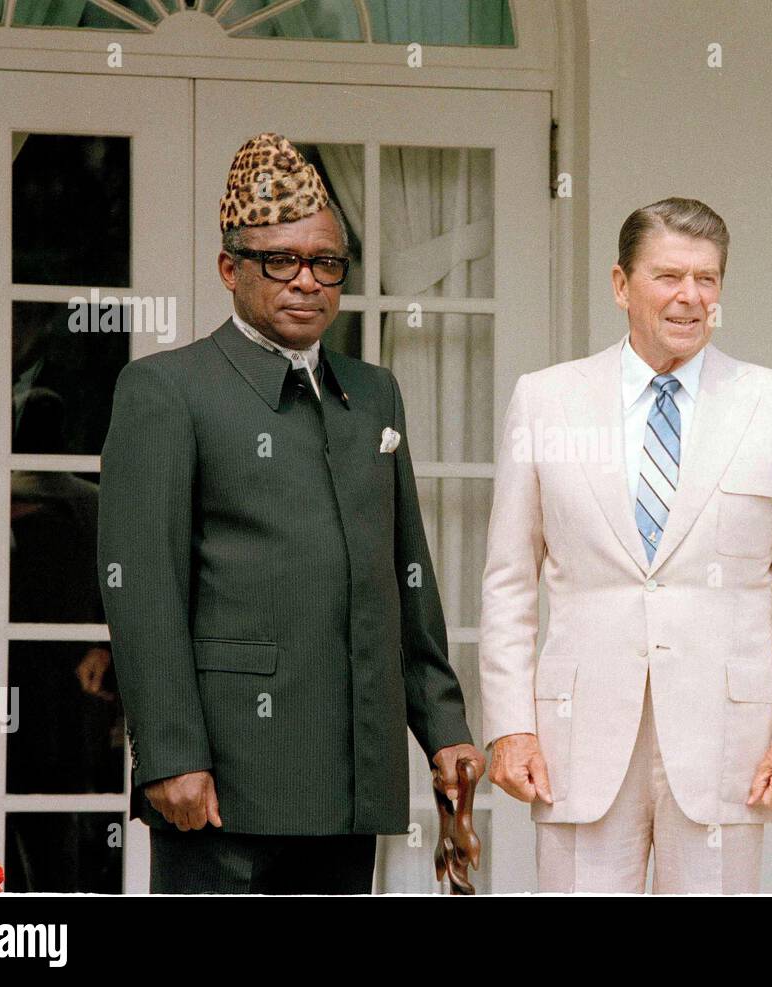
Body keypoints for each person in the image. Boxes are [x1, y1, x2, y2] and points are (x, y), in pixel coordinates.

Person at [98, 133, 483, 894]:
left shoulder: (374, 393)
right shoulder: (168, 390)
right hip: (225, 781)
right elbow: (142, 589)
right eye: (281, 260)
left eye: (326, 263)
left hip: (352, 772)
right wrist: (171, 755)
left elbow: (407, 580)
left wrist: (443, 727)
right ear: (229, 268)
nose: (307, 281)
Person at [480, 197, 772, 893]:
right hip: (576, 740)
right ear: (621, 284)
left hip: (725, 745)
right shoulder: (545, 400)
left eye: (707, 279)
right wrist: (511, 726)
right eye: (669, 275)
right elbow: (507, 582)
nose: (690, 296)